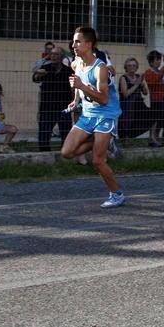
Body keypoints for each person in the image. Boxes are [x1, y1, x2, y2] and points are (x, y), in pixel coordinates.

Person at [60, 26, 125, 208]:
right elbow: (78, 84)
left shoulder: (100, 69)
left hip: (105, 115)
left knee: (97, 160)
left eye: (77, 41)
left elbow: (104, 99)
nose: (73, 45)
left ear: (89, 44)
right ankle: (106, 142)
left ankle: (116, 194)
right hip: (88, 114)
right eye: (73, 41)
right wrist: (75, 101)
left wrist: (81, 87)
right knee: (67, 153)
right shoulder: (76, 63)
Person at [32, 48, 73, 151]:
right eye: (52, 54)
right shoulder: (45, 68)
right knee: (44, 134)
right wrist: (38, 75)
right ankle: (44, 154)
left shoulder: (68, 71)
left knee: (66, 133)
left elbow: (73, 88)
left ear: (61, 57)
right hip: (47, 107)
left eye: (56, 54)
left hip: (63, 107)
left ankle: (65, 154)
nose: (53, 56)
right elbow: (35, 78)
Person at [117, 57, 150, 141]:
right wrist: (136, 84)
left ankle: (152, 139)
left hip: (138, 106)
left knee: (153, 117)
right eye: (129, 65)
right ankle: (125, 141)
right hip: (127, 107)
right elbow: (125, 94)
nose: (132, 67)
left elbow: (145, 93)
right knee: (126, 128)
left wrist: (143, 84)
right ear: (126, 67)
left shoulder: (139, 77)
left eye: (134, 65)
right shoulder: (123, 78)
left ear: (137, 67)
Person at [144, 50, 164, 147]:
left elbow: (162, 85)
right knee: (153, 120)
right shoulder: (149, 72)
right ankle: (151, 138)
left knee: (159, 120)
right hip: (154, 100)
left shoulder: (159, 72)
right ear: (151, 61)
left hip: (161, 99)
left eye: (159, 59)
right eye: (157, 59)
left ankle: (155, 138)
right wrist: (161, 73)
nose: (159, 62)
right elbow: (152, 83)